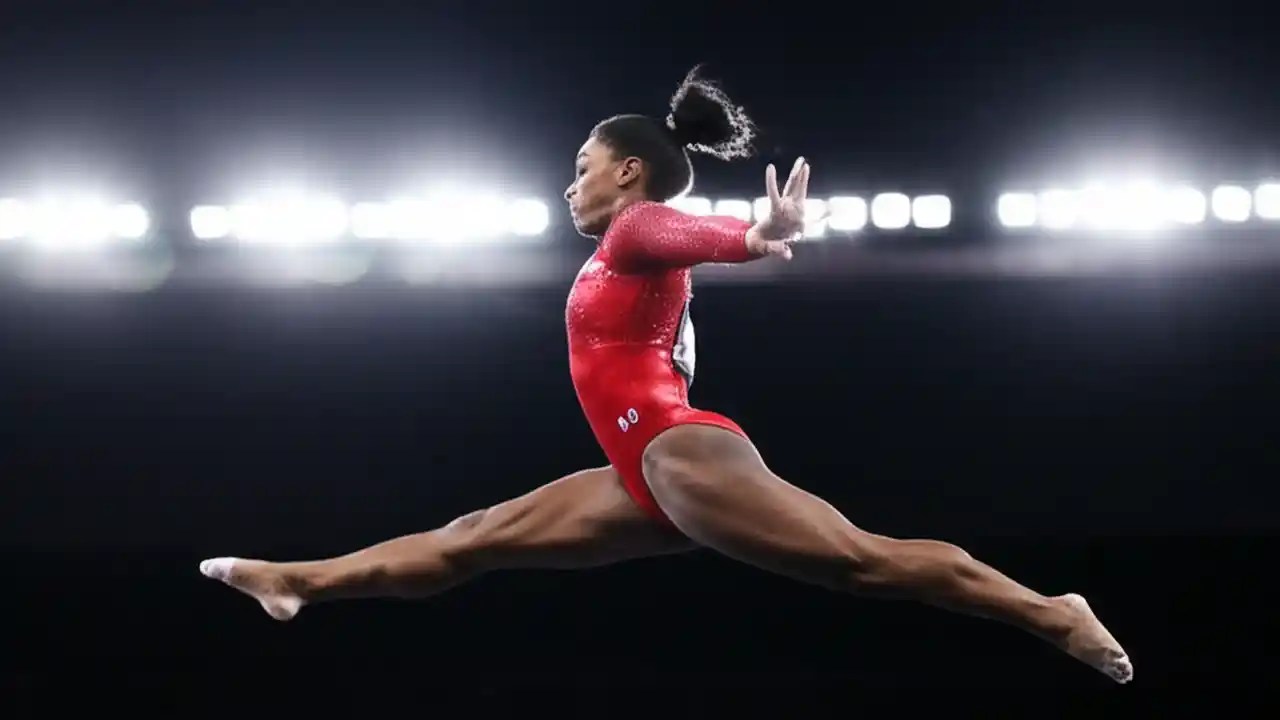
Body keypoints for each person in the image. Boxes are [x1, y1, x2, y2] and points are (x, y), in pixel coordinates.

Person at [200, 66, 1132, 684]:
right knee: (471, 537)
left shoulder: (637, 229)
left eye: (583, 168)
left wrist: (760, 236)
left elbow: (699, 235)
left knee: (861, 564)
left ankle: (1051, 612)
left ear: (629, 173)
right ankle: (296, 580)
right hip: (641, 469)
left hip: (676, 454)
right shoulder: (627, 253)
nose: (571, 185)